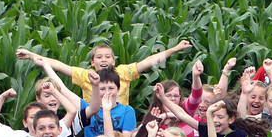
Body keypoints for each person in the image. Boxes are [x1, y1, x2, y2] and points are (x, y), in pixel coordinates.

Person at [16, 40, 192, 107]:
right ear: (92, 62)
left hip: (120, 122)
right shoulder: (86, 75)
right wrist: (32, 55)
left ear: (114, 60)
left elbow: (149, 61)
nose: (104, 60)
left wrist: (174, 49)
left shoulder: (124, 72)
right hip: (94, 122)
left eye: (108, 56)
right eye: (99, 57)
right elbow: (60, 66)